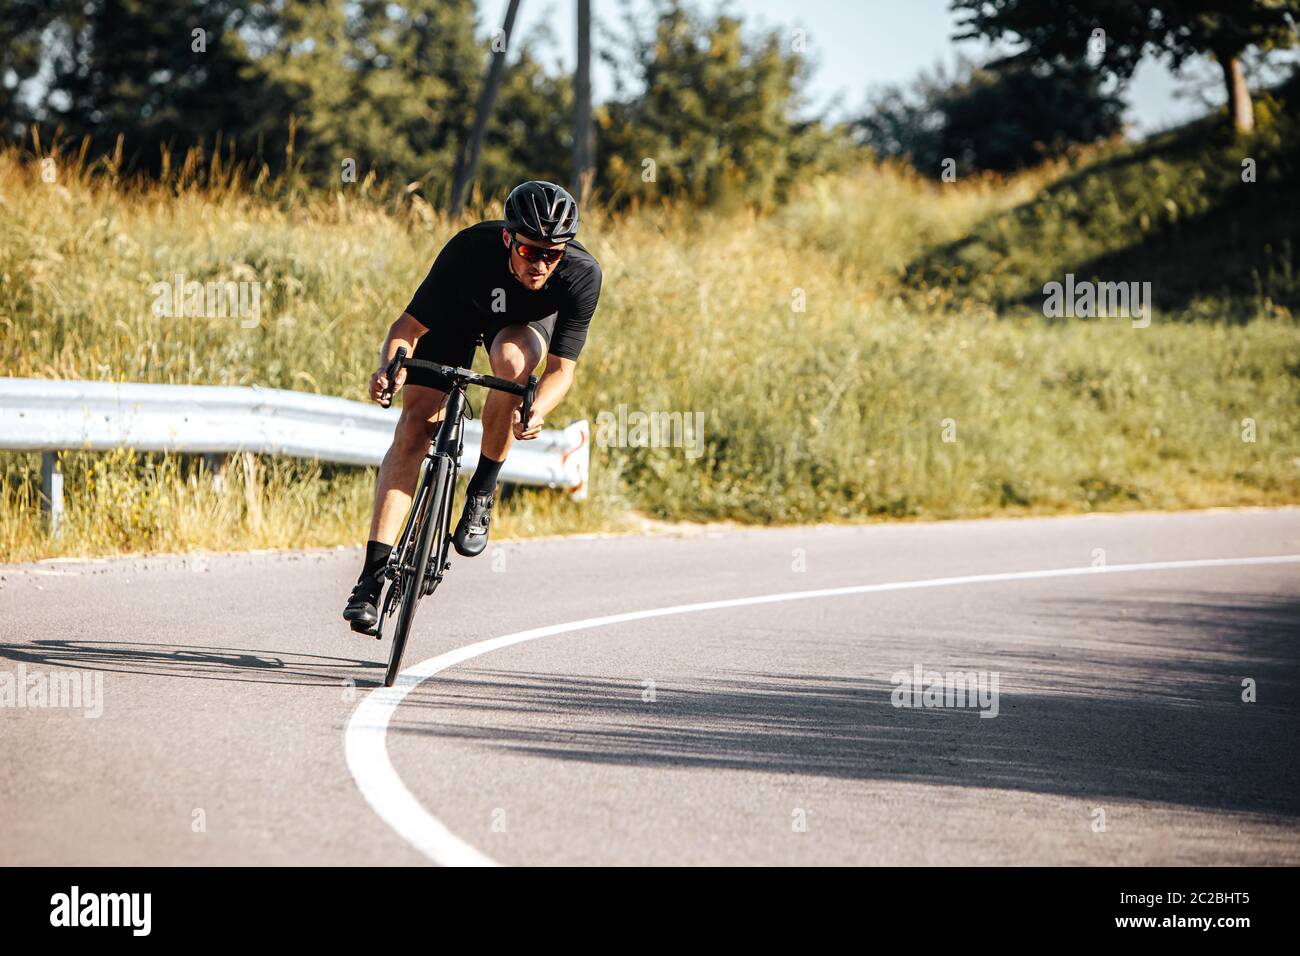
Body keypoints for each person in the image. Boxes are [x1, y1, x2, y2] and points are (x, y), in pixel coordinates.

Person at [342, 181, 602, 630]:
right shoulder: (470, 248)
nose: (540, 264)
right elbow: (407, 327)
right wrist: (390, 367)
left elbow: (562, 369)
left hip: (520, 327)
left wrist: (536, 408)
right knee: (413, 429)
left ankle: (482, 488)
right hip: (457, 318)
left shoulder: (580, 273)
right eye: (530, 251)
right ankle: (370, 578)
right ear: (508, 238)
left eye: (552, 254)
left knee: (511, 362)